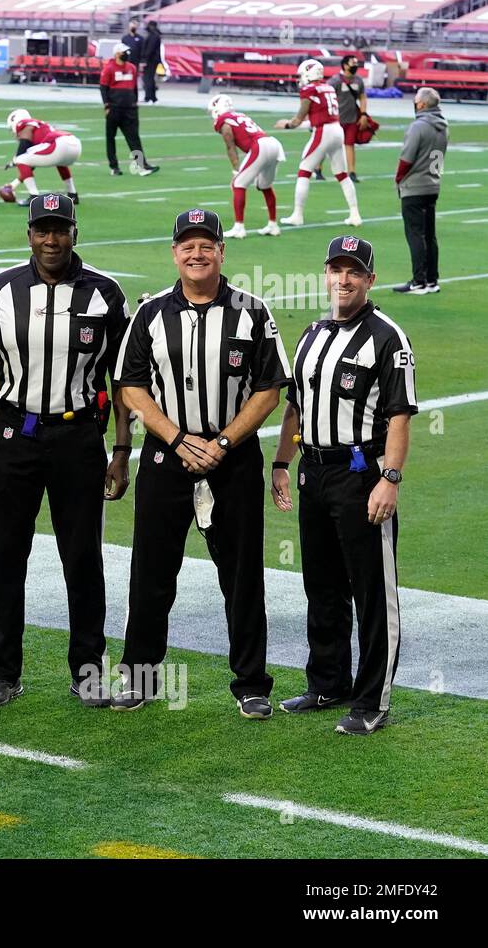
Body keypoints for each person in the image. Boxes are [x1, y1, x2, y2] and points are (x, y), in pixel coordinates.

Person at [111, 208, 290, 717]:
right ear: (174, 253)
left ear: (221, 251)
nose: (196, 253)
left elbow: (269, 389)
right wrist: (176, 437)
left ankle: (252, 684)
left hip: (232, 460)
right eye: (187, 245)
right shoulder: (150, 313)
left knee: (241, 575)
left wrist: (223, 443)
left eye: (205, 244)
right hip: (166, 460)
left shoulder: (252, 311)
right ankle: (141, 677)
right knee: (151, 572)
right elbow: (130, 387)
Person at [0, 194, 132, 708]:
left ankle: (87, 671)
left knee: (82, 558)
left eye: (59, 229)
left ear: (74, 232)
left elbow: (124, 378)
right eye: (42, 229)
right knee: (5, 557)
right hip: (14, 434)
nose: (51, 239)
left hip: (78, 436)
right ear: (29, 234)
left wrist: (122, 449)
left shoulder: (105, 294)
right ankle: (2, 671)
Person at [270, 235, 416, 735]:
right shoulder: (311, 332)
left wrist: (389, 480)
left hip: (361, 474)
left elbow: (399, 416)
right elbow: (296, 406)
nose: (345, 279)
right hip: (314, 470)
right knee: (323, 585)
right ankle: (328, 681)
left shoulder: (387, 336)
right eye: (337, 269)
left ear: (370, 279)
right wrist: (282, 460)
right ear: (326, 274)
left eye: (355, 271)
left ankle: (372, 698)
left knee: (373, 591)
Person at [276, 59, 362, 228]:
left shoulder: (309, 89)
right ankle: (355, 214)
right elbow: (319, 116)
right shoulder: (328, 87)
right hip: (337, 130)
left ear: (309, 73)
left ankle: (298, 214)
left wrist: (287, 124)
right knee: (342, 174)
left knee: (304, 171)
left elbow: (299, 118)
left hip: (324, 132)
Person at [208, 94, 284, 238]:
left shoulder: (225, 121)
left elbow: (230, 147)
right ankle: (273, 225)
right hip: (273, 143)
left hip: (260, 146)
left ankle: (239, 228)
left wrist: (236, 169)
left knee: (237, 184)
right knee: (265, 186)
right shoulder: (239, 115)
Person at [394, 87, 447, 296]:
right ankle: (432, 280)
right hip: (433, 183)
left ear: (422, 104)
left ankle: (418, 281)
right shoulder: (444, 126)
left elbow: (406, 158)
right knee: (429, 235)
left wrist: (398, 178)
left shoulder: (418, 126)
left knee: (415, 234)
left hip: (414, 185)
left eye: (416, 100)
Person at [100, 41, 158, 176]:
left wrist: (135, 102)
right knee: (111, 138)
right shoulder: (109, 69)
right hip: (114, 108)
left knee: (134, 138)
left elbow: (134, 87)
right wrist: (107, 105)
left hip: (130, 109)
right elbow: (103, 88)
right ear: (117, 54)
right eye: (125, 52)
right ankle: (114, 167)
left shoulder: (132, 68)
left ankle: (142, 165)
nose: (127, 54)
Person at [1, 108, 82, 203]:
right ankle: (72, 194)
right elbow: (30, 165)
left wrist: (14, 161)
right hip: (74, 143)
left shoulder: (23, 124)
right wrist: (13, 184)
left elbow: (24, 146)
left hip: (59, 144)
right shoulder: (39, 124)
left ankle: (33, 197)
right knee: (60, 163)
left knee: (20, 159)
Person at [327, 55, 369, 181]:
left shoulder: (358, 80)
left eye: (356, 63)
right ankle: (318, 168)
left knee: (349, 144)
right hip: (335, 119)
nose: (355, 66)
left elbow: (362, 97)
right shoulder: (335, 81)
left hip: (351, 118)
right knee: (327, 144)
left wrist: (363, 114)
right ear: (345, 65)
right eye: (353, 63)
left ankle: (352, 172)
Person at [140, 20, 162, 103]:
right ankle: (152, 97)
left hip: (150, 61)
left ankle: (149, 97)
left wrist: (144, 59)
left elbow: (149, 49)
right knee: (150, 79)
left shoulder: (153, 36)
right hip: (153, 60)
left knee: (148, 79)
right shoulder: (156, 35)